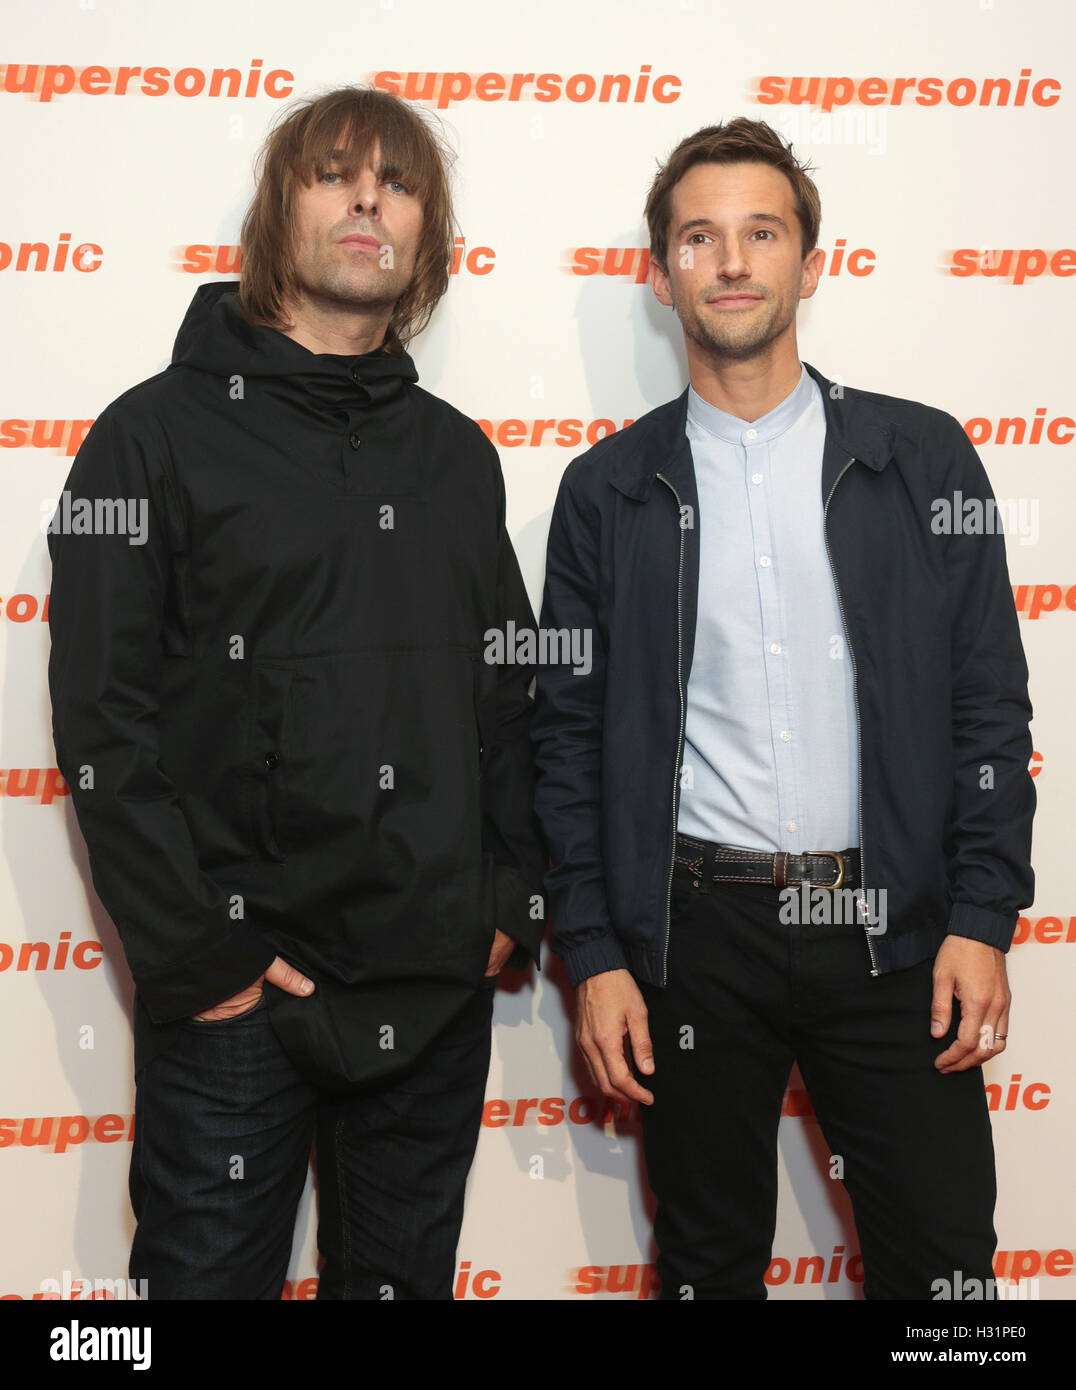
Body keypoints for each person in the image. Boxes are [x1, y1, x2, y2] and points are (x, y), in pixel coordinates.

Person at [47, 84, 546, 1300]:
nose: (369, 197)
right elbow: (104, 719)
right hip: (239, 999)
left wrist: (506, 898)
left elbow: (512, 692)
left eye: (401, 182)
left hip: (428, 996)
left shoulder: (454, 454)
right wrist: (203, 957)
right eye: (334, 172)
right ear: (281, 211)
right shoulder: (150, 438)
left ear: (427, 237)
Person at [530, 118, 1034, 1300]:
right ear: (661, 276)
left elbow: (985, 706)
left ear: (811, 260)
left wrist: (981, 914)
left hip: (894, 925)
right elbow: (562, 734)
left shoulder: (923, 460)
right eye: (698, 238)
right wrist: (594, 953)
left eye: (762, 232)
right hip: (697, 936)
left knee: (945, 1274)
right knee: (707, 1264)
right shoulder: (604, 491)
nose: (732, 262)